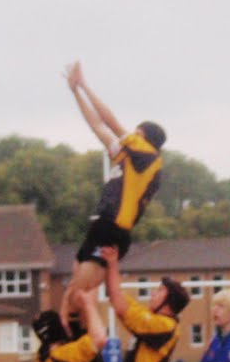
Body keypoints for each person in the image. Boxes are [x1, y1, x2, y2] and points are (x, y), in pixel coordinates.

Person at [61, 61, 166, 318]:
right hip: (102, 225)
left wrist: (85, 85)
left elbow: (110, 122)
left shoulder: (148, 156)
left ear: (144, 138)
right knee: (74, 296)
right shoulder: (130, 161)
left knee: (78, 298)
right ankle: (82, 347)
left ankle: (90, 348)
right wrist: (76, 92)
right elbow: (97, 126)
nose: (129, 135)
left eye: (136, 133)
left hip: (113, 229)